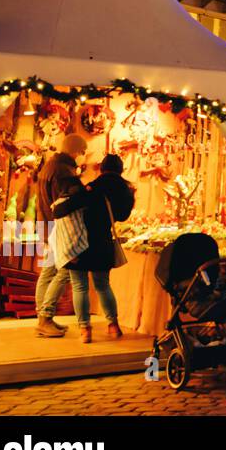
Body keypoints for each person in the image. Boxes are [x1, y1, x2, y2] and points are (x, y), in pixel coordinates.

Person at [52, 153, 135, 344]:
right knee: (103, 285)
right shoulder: (126, 190)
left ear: (102, 168)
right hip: (103, 244)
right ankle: (113, 325)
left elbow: (64, 209)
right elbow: (122, 216)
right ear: (121, 170)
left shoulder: (94, 187)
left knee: (80, 287)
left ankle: (85, 330)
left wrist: (57, 208)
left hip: (79, 244)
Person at [32, 134, 88, 338]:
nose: (84, 157)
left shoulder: (50, 166)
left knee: (48, 271)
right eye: (83, 153)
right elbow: (67, 203)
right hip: (60, 228)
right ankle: (45, 318)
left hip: (46, 225)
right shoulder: (63, 171)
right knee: (65, 271)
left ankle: (43, 317)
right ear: (76, 151)